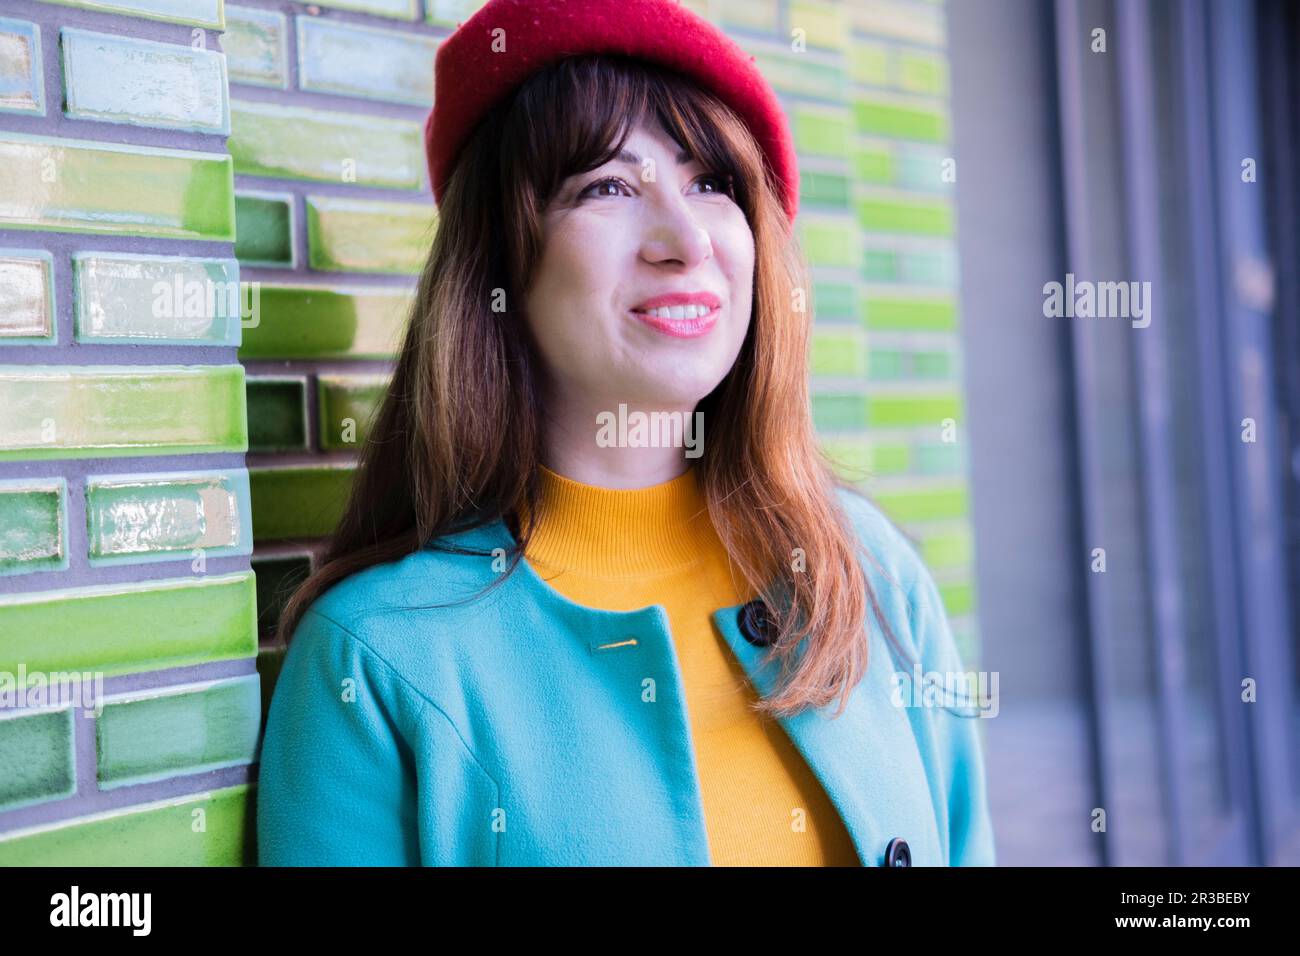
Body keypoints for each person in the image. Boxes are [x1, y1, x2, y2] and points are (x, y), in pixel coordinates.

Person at [256, 0, 996, 867]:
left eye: (712, 183)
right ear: (498, 265)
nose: (685, 240)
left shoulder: (863, 570)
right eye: (607, 185)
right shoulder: (373, 660)